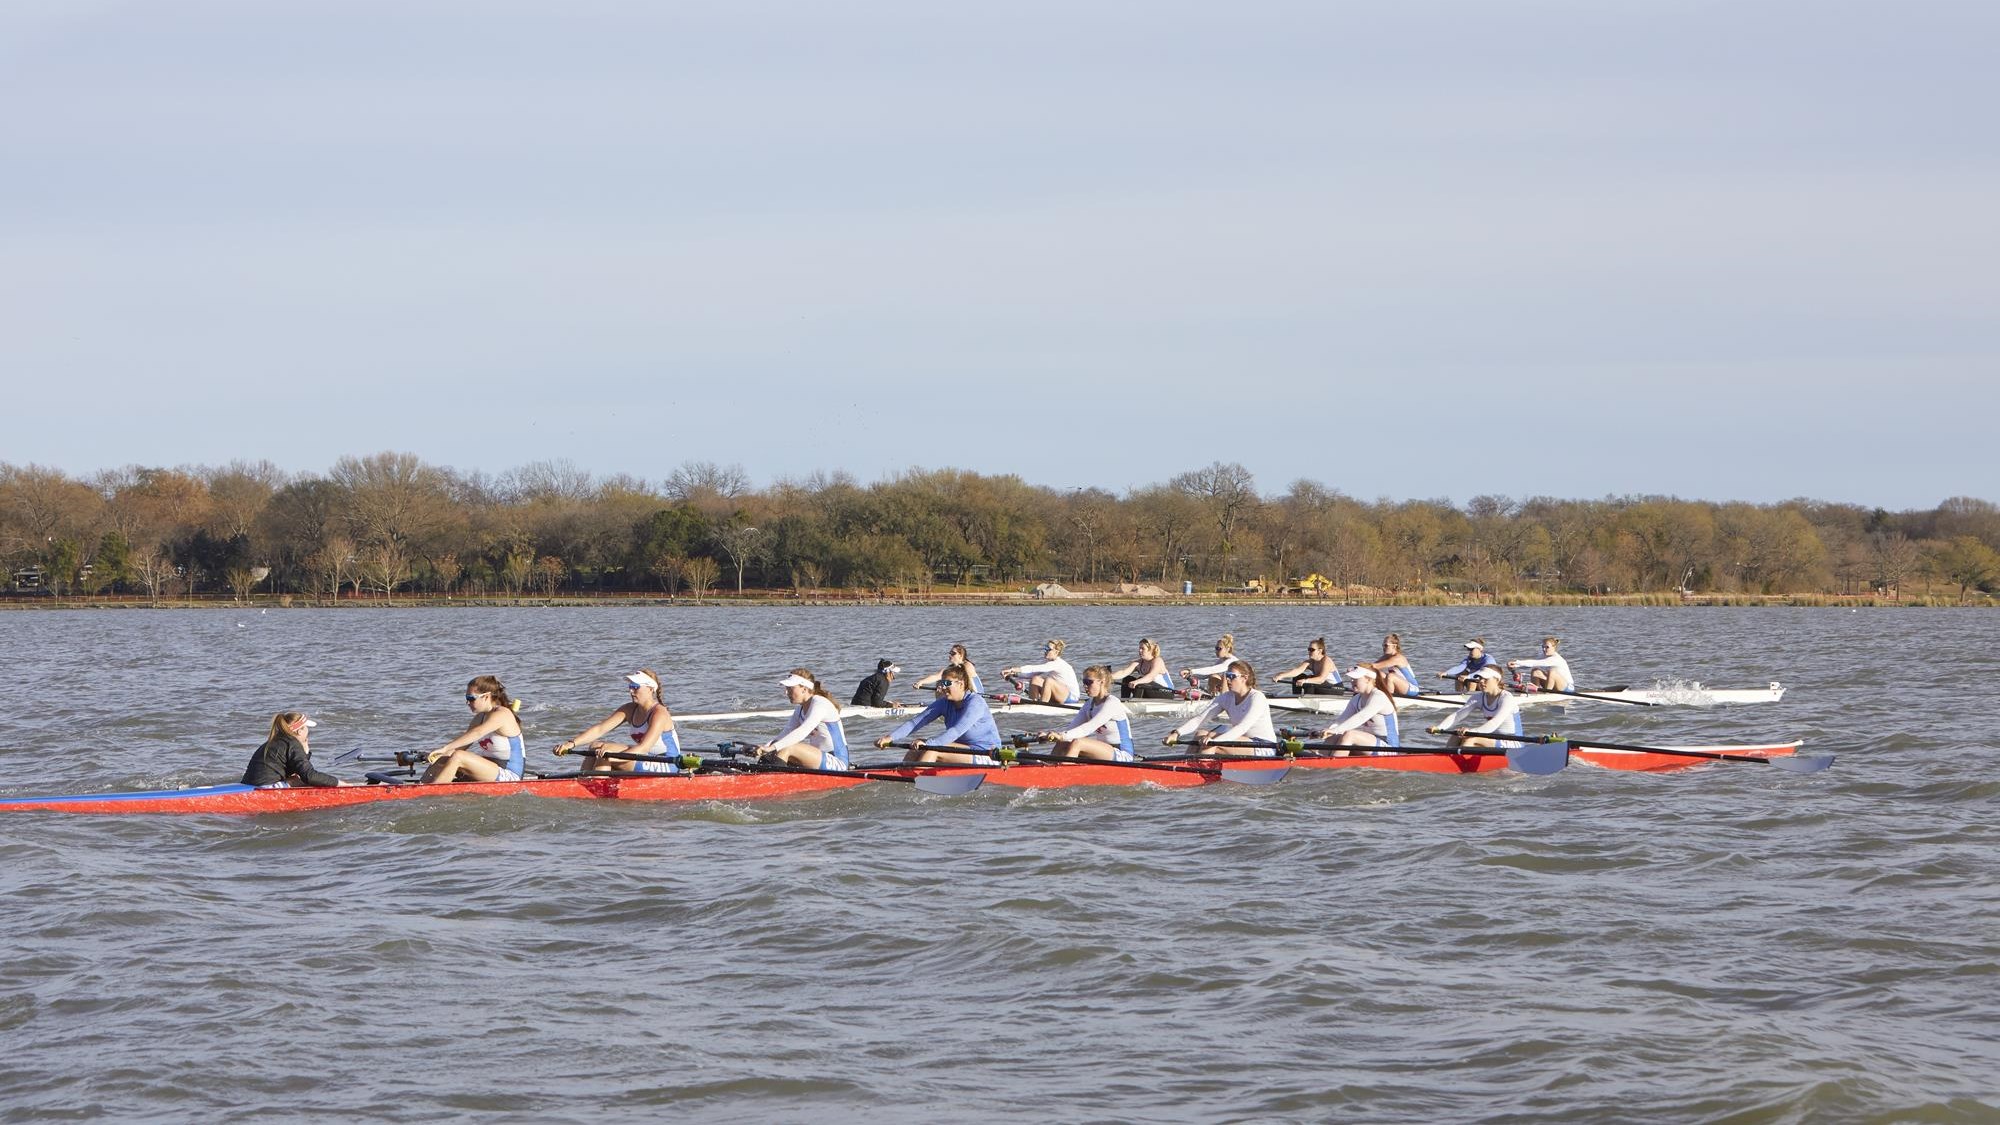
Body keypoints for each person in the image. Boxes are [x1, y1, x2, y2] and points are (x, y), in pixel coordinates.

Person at [552, 670, 680, 775]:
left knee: (606, 752)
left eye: (635, 687)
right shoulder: (629, 709)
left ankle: (597, 791)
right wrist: (571, 744)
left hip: (667, 763)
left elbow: (643, 748)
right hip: (646, 757)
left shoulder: (659, 713)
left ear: (651, 689)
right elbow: (600, 729)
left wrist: (614, 756)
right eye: (630, 687)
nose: (631, 691)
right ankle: (583, 782)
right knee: (595, 746)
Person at [877, 665, 1001, 765]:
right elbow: (915, 723)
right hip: (965, 749)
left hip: (987, 753)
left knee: (932, 749)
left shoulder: (976, 703)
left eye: (947, 683)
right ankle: (900, 777)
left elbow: (956, 731)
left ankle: (916, 783)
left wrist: (929, 744)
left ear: (961, 684)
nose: (942, 687)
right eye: (941, 683)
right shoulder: (944, 702)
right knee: (916, 749)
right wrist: (890, 738)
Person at [421, 675, 526, 783]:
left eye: (471, 698)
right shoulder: (480, 717)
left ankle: (434, 793)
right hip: (491, 770)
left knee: (459, 757)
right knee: (443, 760)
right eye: (467, 699)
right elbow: (461, 746)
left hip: (510, 775)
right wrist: (438, 755)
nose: (468, 703)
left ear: (486, 696)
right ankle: (422, 787)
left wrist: (445, 748)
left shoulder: (502, 714)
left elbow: (477, 733)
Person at [1163, 660, 1276, 757]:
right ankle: (1185, 766)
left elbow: (1242, 728)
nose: (1227, 680)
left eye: (1232, 676)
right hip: (1242, 741)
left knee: (1211, 740)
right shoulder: (1226, 697)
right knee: (1200, 734)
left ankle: (1200, 774)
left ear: (1244, 678)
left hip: (1265, 747)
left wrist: (1215, 741)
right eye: (1226, 676)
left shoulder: (1257, 698)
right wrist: (1176, 733)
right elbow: (1199, 719)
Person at [752, 670, 852, 770]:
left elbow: (802, 731)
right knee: (775, 749)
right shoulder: (799, 710)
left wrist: (772, 748)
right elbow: (785, 734)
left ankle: (770, 780)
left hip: (837, 761)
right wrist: (762, 748)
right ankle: (758, 774)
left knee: (787, 747)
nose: (786, 692)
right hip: (818, 759)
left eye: (790, 688)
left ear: (804, 689)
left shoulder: (820, 704)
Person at [1036, 665, 1137, 761]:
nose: (1085, 686)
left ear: (1102, 682)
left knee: (1078, 742)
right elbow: (1072, 728)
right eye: (1084, 682)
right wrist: (1051, 736)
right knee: (1063, 743)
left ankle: (1064, 773)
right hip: (1104, 751)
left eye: (1088, 682)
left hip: (1122, 753)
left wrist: (1062, 736)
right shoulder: (1089, 705)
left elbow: (1089, 727)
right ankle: (1050, 767)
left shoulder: (1112, 703)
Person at [241, 712, 351, 788]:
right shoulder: (292, 743)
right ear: (299, 731)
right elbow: (310, 776)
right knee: (300, 781)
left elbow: (297, 769)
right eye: (306, 727)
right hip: (266, 788)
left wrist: (306, 751)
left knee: (296, 779)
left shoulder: (274, 741)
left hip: (249, 785)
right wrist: (341, 784)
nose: (308, 731)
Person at [1313, 666, 1400, 751]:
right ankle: (1319, 758)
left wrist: (1335, 730)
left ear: (1368, 679)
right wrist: (1326, 731)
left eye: (1355, 679)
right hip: (1370, 743)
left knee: (1350, 735)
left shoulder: (1379, 696)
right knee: (1334, 737)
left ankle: (1332, 763)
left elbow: (1361, 717)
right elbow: (1341, 721)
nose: (1351, 681)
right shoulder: (1357, 698)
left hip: (1388, 746)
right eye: (1351, 678)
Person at [1435, 667, 1523, 750]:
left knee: (1470, 739)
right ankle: (1446, 758)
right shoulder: (1478, 697)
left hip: (1513, 742)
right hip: (1493, 738)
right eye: (1480, 678)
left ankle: (1461, 762)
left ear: (1497, 680)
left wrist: (1471, 732)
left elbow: (1494, 723)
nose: (1481, 682)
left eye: (1486, 679)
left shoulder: (1507, 698)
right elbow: (1458, 715)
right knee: (1456, 734)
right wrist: (1439, 728)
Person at [1002, 639, 1080, 705]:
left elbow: (1034, 668)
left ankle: (1042, 705)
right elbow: (1031, 674)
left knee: (1049, 681)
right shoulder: (1049, 663)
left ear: (1056, 652)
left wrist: (1013, 669)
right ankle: (1033, 702)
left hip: (1071, 697)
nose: (1045, 651)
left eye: (1048, 649)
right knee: (1035, 678)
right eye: (1045, 648)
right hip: (1060, 694)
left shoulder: (1058, 663)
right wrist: (1014, 674)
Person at [1273, 637, 1344, 695]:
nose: (1309, 652)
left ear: (1320, 651)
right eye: (1308, 649)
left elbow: (1321, 679)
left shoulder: (1327, 660)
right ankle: (1296, 697)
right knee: (1298, 677)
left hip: (1336, 688)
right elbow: (1297, 671)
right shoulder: (1310, 662)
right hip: (1323, 686)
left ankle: (1308, 699)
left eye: (1311, 650)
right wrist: (1281, 675)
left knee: (1309, 680)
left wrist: (1305, 680)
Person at [1110, 638, 1176, 700]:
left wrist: (1137, 682)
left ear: (1150, 650)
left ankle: (1135, 703)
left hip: (1167, 693)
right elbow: (1123, 673)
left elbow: (1150, 677)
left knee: (1140, 681)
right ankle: (1124, 701)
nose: (1139, 650)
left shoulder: (1158, 661)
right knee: (1127, 679)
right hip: (1150, 690)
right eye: (1139, 648)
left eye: (1142, 648)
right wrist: (1107, 677)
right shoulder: (1138, 663)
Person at [1358, 633, 1420, 697]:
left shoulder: (1398, 658)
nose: (1383, 648)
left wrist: (1360, 667)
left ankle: (1388, 698)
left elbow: (1376, 666)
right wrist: (1358, 668)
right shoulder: (1386, 656)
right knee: (1377, 672)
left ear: (1394, 646)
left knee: (1391, 676)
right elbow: (1372, 667)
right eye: (1383, 645)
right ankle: (1366, 690)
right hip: (1400, 686)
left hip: (1413, 689)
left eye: (1386, 645)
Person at [1508, 637, 1574, 692]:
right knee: (1535, 671)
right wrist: (1515, 666)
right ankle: (1534, 692)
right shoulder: (1542, 655)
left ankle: (1547, 694)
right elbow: (1531, 664)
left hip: (1567, 688)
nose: (1544, 649)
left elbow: (1533, 663)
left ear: (1554, 648)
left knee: (1552, 672)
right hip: (1554, 685)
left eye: (1547, 647)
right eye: (1543, 647)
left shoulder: (1556, 659)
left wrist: (1517, 662)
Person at [912, 644, 984, 694]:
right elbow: (937, 676)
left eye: (953, 653)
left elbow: (964, 682)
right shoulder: (950, 668)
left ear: (960, 655)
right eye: (950, 653)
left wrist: (945, 686)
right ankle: (942, 707)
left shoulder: (968, 666)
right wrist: (920, 682)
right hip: (961, 694)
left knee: (943, 683)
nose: (950, 655)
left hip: (975, 695)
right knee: (940, 682)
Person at [1438, 638, 1503, 691]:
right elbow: (1459, 667)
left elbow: (1482, 672)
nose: (1469, 651)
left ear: (1480, 649)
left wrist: (1469, 676)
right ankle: (1458, 694)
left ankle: (1469, 697)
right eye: (1468, 649)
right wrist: (1446, 673)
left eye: (1472, 649)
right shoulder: (1469, 659)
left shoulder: (1488, 659)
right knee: (1460, 675)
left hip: (1489, 684)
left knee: (1472, 680)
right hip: (1478, 683)